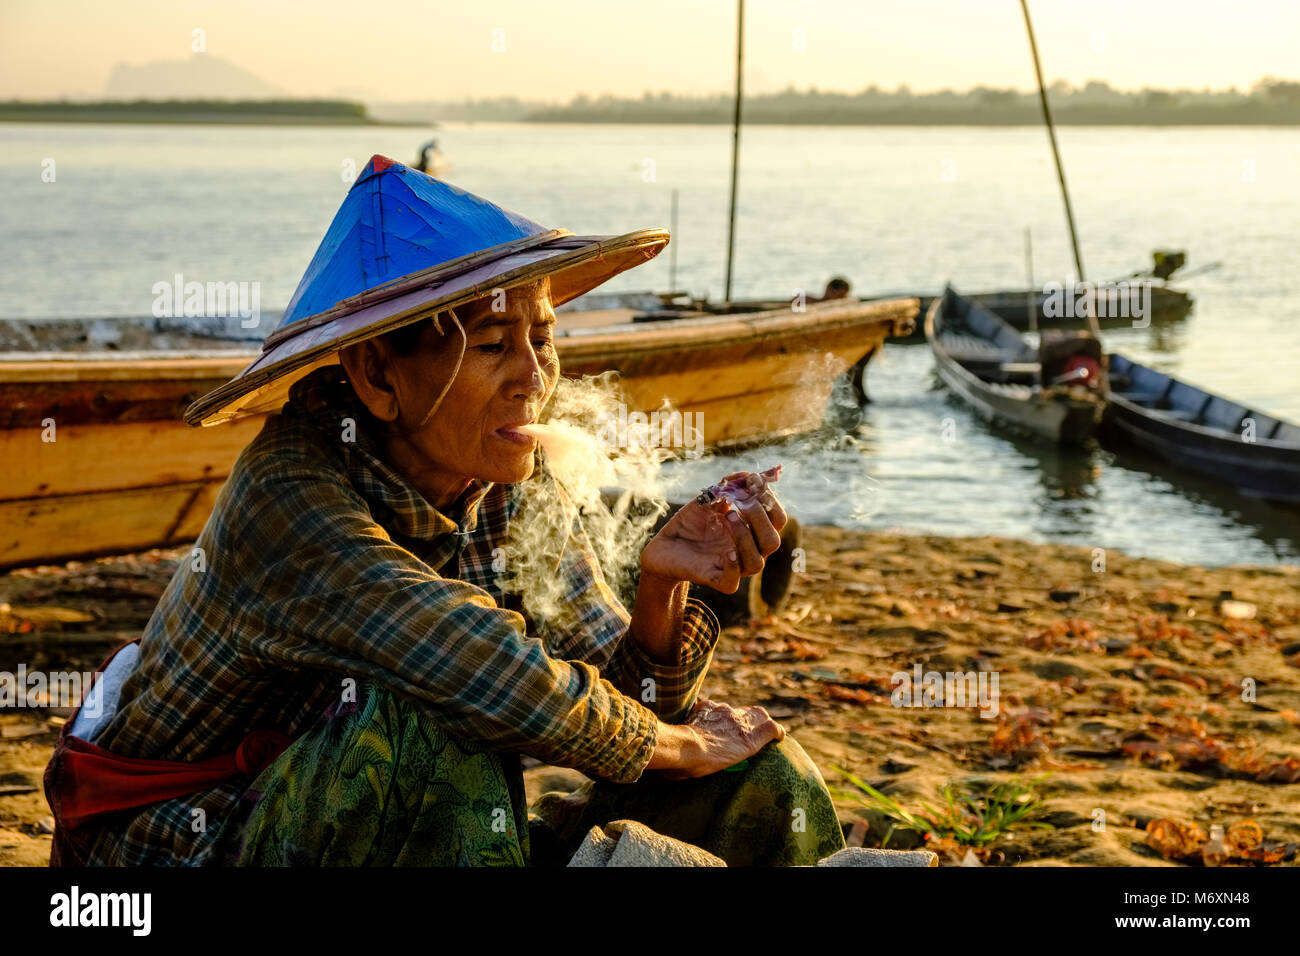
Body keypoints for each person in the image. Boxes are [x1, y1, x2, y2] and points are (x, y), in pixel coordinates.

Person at [44, 156, 845, 867]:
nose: (534, 377)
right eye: (494, 345)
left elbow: (618, 710)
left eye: (543, 339)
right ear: (377, 374)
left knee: (760, 775)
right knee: (428, 731)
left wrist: (660, 592)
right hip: (193, 840)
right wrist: (675, 744)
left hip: (391, 824)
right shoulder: (289, 496)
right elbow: (477, 666)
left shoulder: (503, 478)